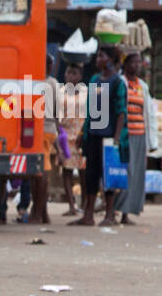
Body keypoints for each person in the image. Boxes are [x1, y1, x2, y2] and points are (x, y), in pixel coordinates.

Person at [70, 46, 125, 227]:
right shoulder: (94, 80)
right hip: (93, 134)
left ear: (110, 59)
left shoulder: (117, 82)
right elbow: (90, 110)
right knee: (91, 175)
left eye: (101, 56)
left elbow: (121, 112)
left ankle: (110, 215)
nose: (97, 58)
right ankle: (88, 215)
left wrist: (116, 138)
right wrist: (83, 131)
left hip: (108, 136)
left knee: (108, 175)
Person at [116, 50, 150, 225]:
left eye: (139, 62)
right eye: (133, 62)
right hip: (125, 135)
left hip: (140, 135)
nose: (137, 65)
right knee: (124, 172)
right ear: (126, 64)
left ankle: (126, 212)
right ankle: (115, 209)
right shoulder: (120, 83)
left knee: (136, 175)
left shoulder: (142, 86)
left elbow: (148, 113)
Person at [29, 52, 62, 225]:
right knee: (39, 174)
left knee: (40, 174)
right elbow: (58, 113)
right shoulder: (52, 83)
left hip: (43, 130)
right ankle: (41, 213)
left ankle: (37, 213)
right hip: (47, 130)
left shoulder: (40, 82)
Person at [58, 60, 87, 216]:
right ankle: (71, 205)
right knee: (67, 172)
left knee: (83, 171)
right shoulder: (60, 92)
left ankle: (84, 203)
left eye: (74, 73)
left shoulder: (86, 93)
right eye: (68, 72)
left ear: (80, 76)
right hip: (65, 137)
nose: (70, 76)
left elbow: (90, 115)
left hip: (81, 136)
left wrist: (83, 133)